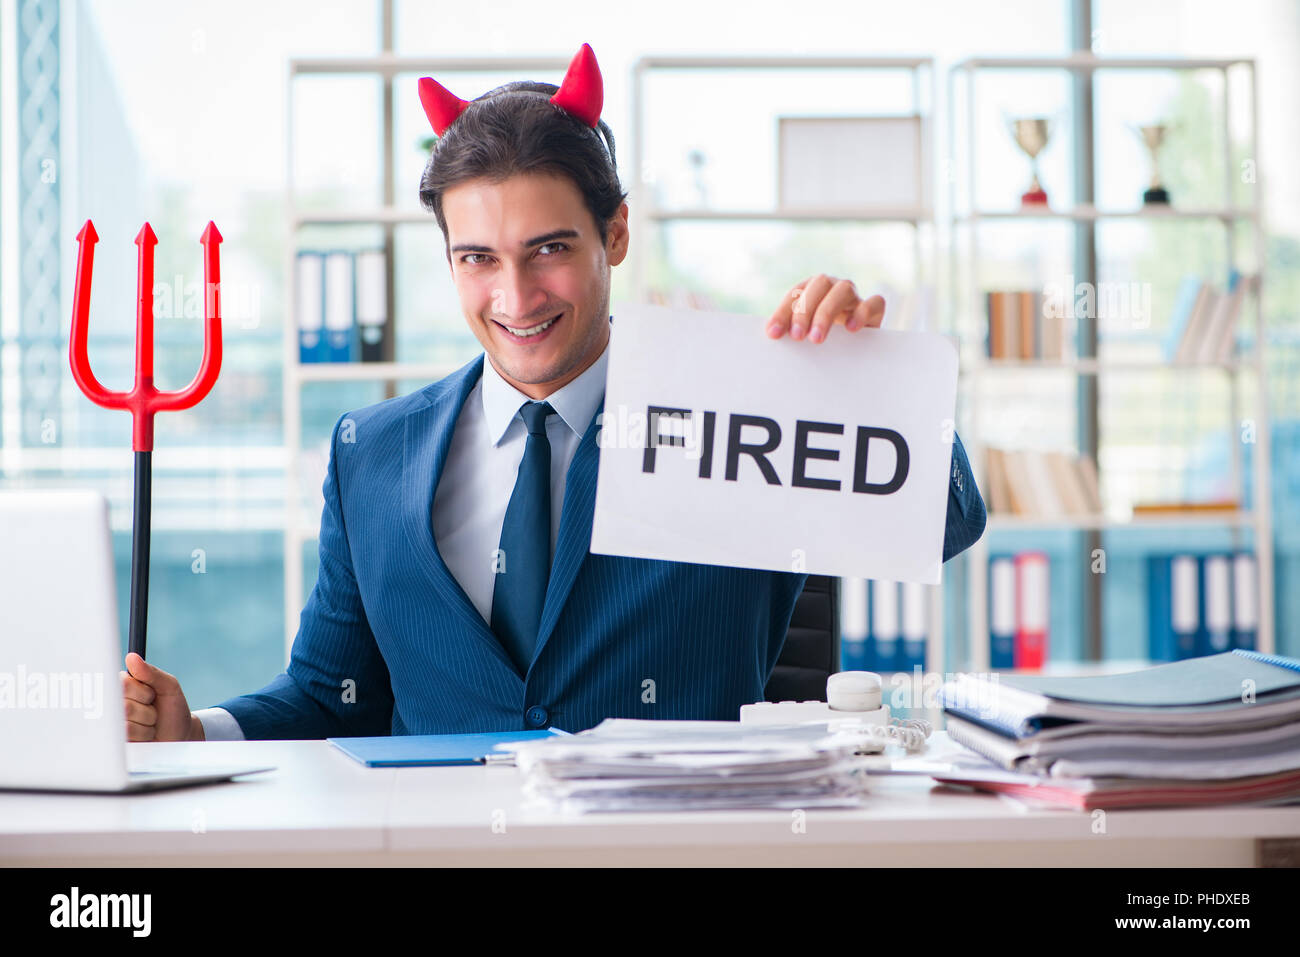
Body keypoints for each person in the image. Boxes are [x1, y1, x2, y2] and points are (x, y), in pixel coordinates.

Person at [122, 44, 986, 741]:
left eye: (549, 248)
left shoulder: (739, 412)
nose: (517, 296)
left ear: (615, 232)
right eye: (479, 259)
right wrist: (200, 729)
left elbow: (947, 517)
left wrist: (862, 385)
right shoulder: (371, 453)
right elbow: (330, 696)